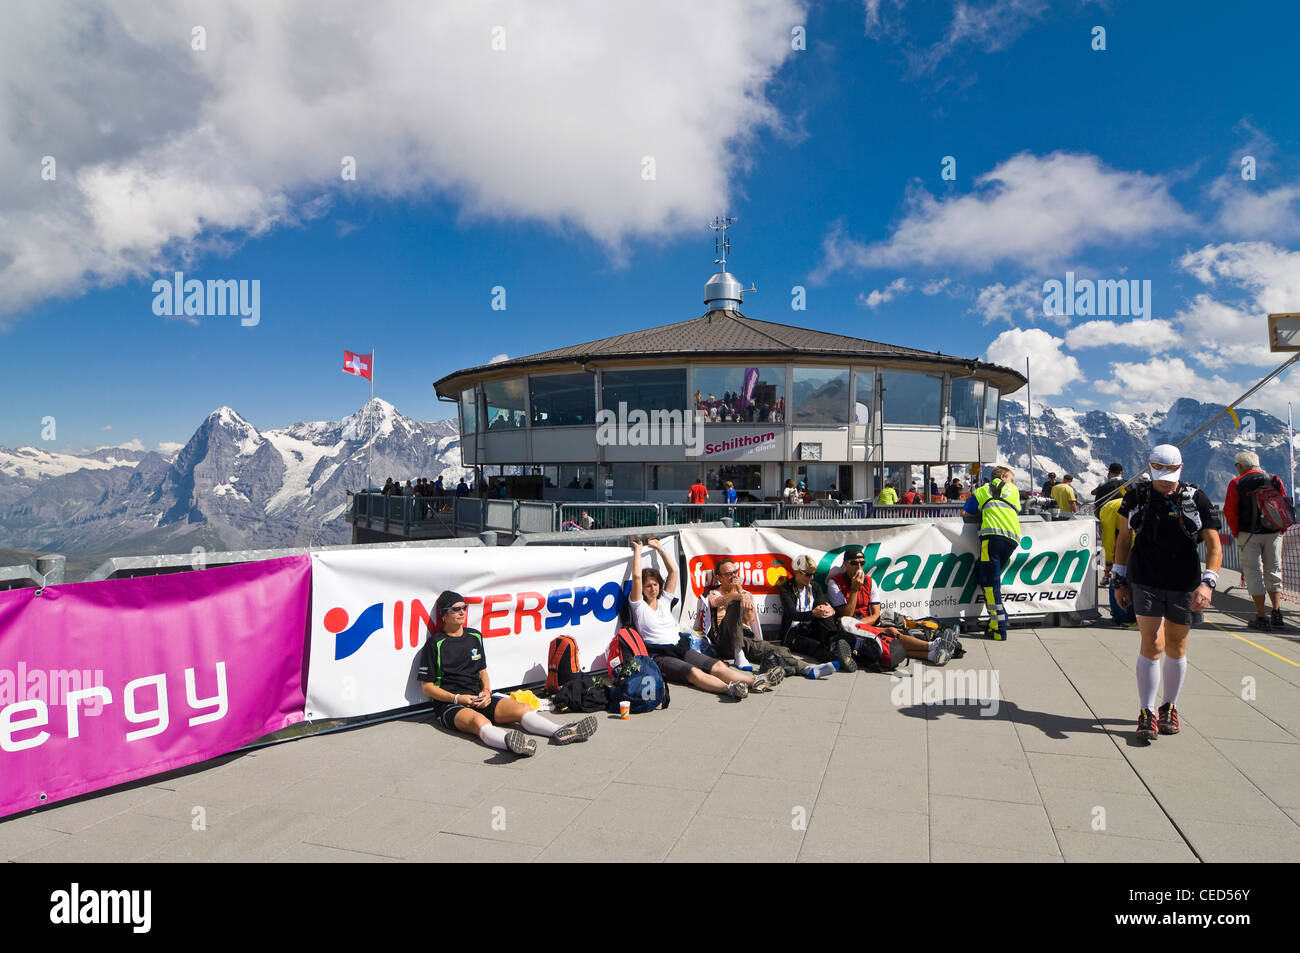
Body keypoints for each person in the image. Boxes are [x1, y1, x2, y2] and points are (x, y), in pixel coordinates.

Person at [1114, 445, 1222, 743]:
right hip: (1145, 577)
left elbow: (1214, 544)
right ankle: (1146, 710)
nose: (1165, 479)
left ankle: (1169, 705)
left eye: (1171, 472)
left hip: (1184, 581)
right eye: (1159, 471)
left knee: (1177, 644)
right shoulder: (1136, 496)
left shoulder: (1196, 498)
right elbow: (1124, 538)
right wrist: (1119, 579)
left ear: (1181, 468)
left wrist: (1208, 583)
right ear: (1149, 466)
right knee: (1152, 642)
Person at [418, 590, 597, 756]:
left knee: (522, 708)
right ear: (443, 615)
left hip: (479, 697)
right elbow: (427, 687)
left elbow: (482, 671)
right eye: (455, 609)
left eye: (464, 607)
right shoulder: (435, 643)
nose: (462, 612)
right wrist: (457, 698)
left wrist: (487, 691)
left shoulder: (474, 636)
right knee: (477, 722)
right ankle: (511, 743)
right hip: (450, 704)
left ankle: (561, 730)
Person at [627, 540, 758, 699]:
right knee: (694, 672)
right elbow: (636, 577)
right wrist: (638, 551)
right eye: (648, 586)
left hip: (679, 647)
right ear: (642, 589)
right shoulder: (638, 606)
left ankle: (754, 681)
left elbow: (674, 572)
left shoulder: (664, 601)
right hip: (660, 655)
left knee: (717, 665)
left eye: (655, 584)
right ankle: (729, 689)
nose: (653, 589)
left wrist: (660, 549)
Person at [700, 557, 834, 679]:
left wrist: (741, 593)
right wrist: (738, 596)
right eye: (729, 574)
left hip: (744, 638)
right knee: (735, 602)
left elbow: (750, 618)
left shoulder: (744, 594)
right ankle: (738, 653)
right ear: (719, 578)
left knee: (777, 650)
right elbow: (717, 602)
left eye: (736, 572)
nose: (734, 576)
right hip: (724, 640)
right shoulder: (712, 593)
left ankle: (807, 669)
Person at [826, 547, 952, 665]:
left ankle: (931, 655)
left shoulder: (870, 582)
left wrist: (862, 625)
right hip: (847, 628)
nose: (859, 566)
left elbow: (876, 614)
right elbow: (846, 616)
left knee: (889, 643)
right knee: (890, 632)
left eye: (862, 563)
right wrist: (854, 590)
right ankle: (932, 645)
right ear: (845, 564)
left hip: (865, 623)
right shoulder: (835, 583)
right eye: (854, 563)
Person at [1223, 450, 1286, 630]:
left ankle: (1261, 616)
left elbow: (1230, 510)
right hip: (1273, 533)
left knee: (1253, 573)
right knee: (1274, 570)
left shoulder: (1236, 483)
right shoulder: (1274, 479)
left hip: (1248, 533)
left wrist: (1236, 532)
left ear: (1239, 466)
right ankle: (1277, 612)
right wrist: (1280, 528)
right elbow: (1282, 504)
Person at [963, 464, 1022, 641]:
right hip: (1012, 539)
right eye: (1011, 478)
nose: (1013, 482)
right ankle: (1000, 618)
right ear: (1003, 476)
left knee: (990, 582)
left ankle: (998, 626)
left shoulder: (982, 490)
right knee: (987, 577)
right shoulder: (1014, 490)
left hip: (991, 538)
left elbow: (966, 511)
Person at [780, 554, 855, 671]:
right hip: (794, 632)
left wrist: (829, 610)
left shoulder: (814, 587)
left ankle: (837, 643)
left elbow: (821, 606)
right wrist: (813, 614)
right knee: (815, 647)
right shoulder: (786, 588)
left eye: (813, 574)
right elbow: (792, 614)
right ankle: (838, 658)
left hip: (812, 626)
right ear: (797, 573)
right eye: (808, 574)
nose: (812, 578)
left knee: (826, 615)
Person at [1099, 488, 1137, 627]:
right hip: (1143, 549)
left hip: (1124, 550)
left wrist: (1108, 562)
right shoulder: (1141, 500)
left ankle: (1122, 617)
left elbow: (1108, 538)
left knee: (1118, 581)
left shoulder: (1110, 507)